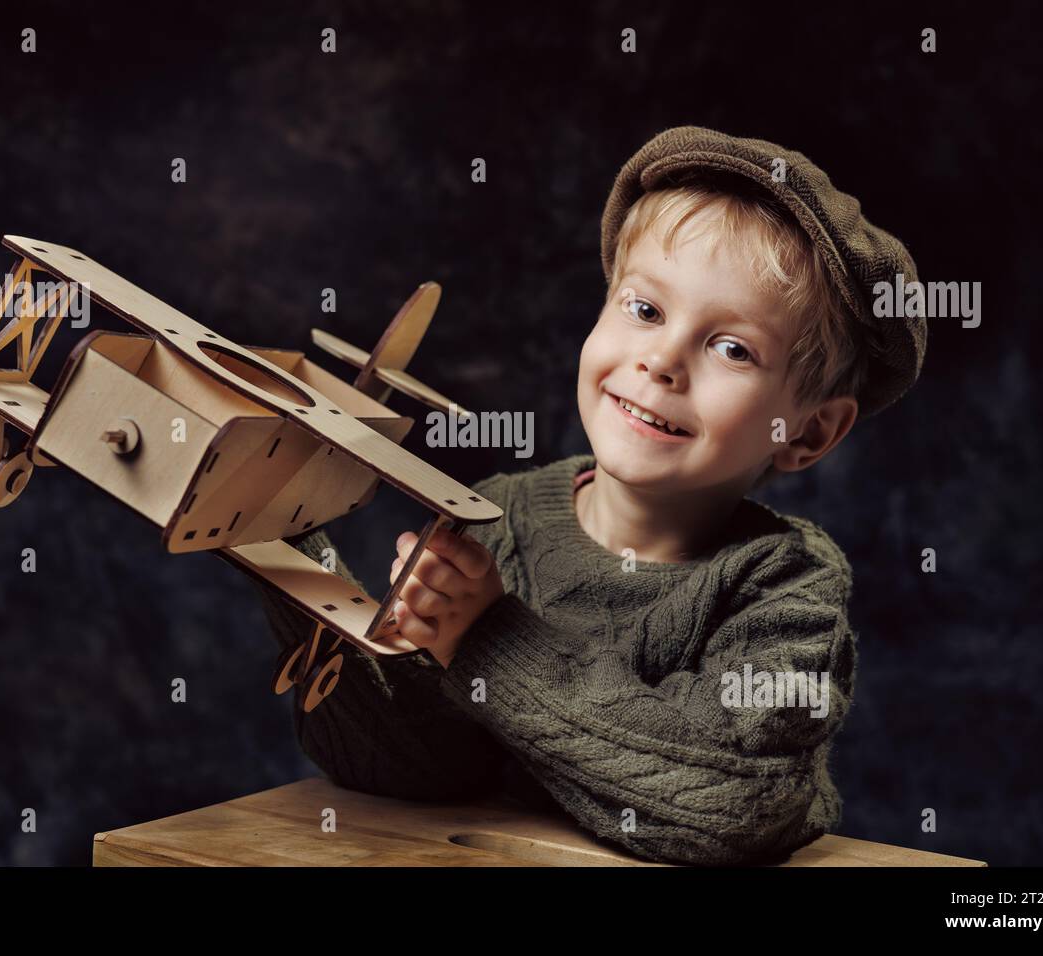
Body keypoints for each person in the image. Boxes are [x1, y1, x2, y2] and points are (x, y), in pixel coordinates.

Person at [260, 125, 927, 866]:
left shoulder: (784, 587)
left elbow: (734, 802)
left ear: (807, 433)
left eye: (733, 348)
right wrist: (284, 542)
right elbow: (411, 770)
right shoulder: (499, 518)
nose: (662, 361)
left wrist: (485, 639)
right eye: (644, 310)